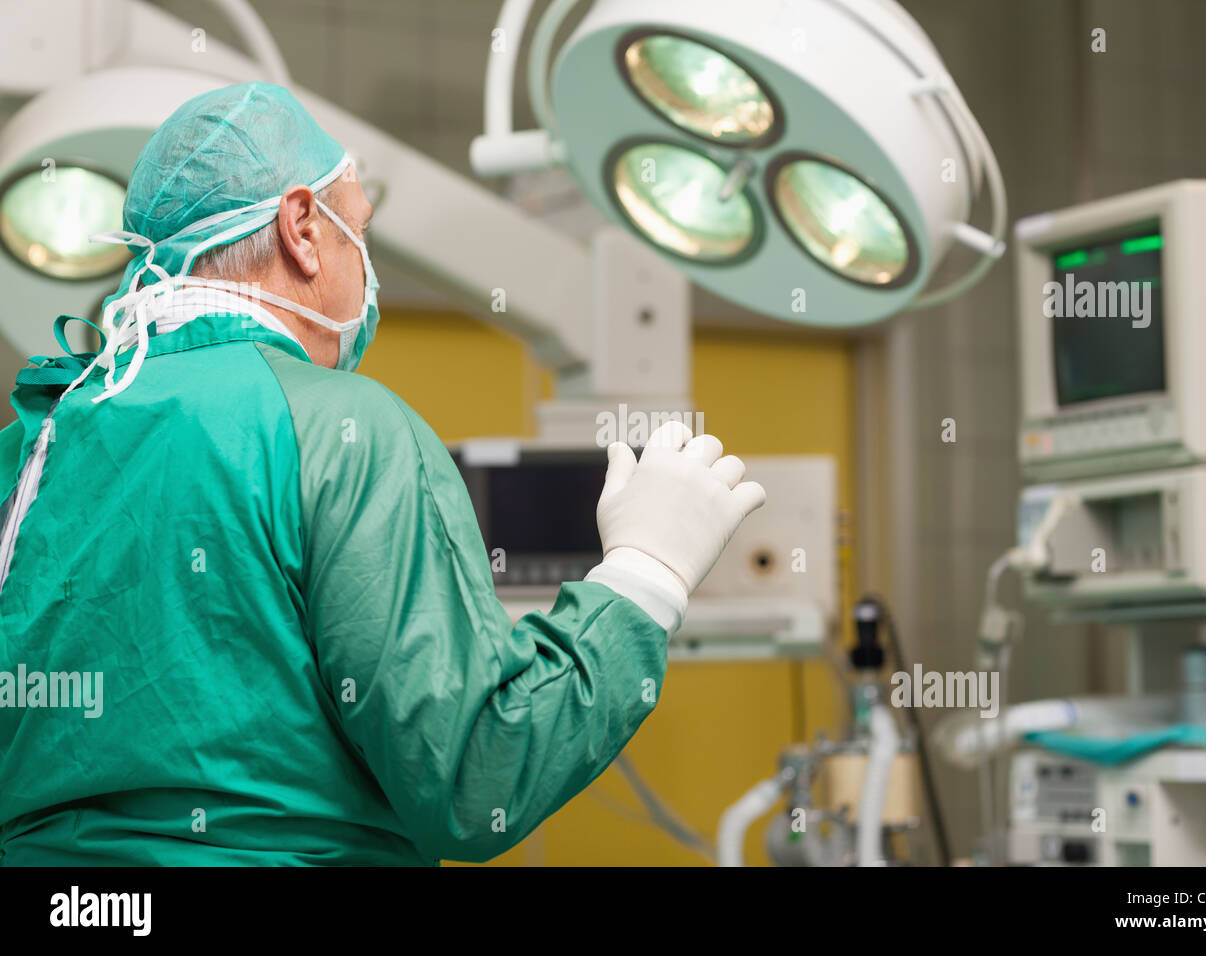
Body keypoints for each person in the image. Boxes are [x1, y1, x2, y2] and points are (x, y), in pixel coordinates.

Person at [0, 82, 764, 865]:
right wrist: (645, 575)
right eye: (356, 231)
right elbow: (477, 782)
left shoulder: (31, 450)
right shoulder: (343, 430)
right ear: (302, 228)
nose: (365, 270)